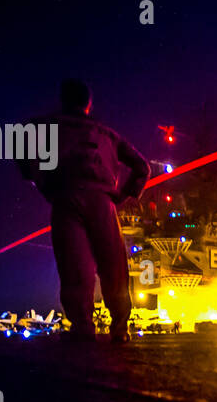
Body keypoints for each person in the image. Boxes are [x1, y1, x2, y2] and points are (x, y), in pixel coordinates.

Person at [18, 80, 149, 342]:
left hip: (65, 198)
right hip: (104, 202)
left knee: (74, 265)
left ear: (63, 100)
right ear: (89, 103)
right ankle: (120, 329)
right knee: (113, 265)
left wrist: (37, 179)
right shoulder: (108, 135)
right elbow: (142, 168)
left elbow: (19, 140)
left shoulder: (46, 126)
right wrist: (122, 196)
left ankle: (82, 328)